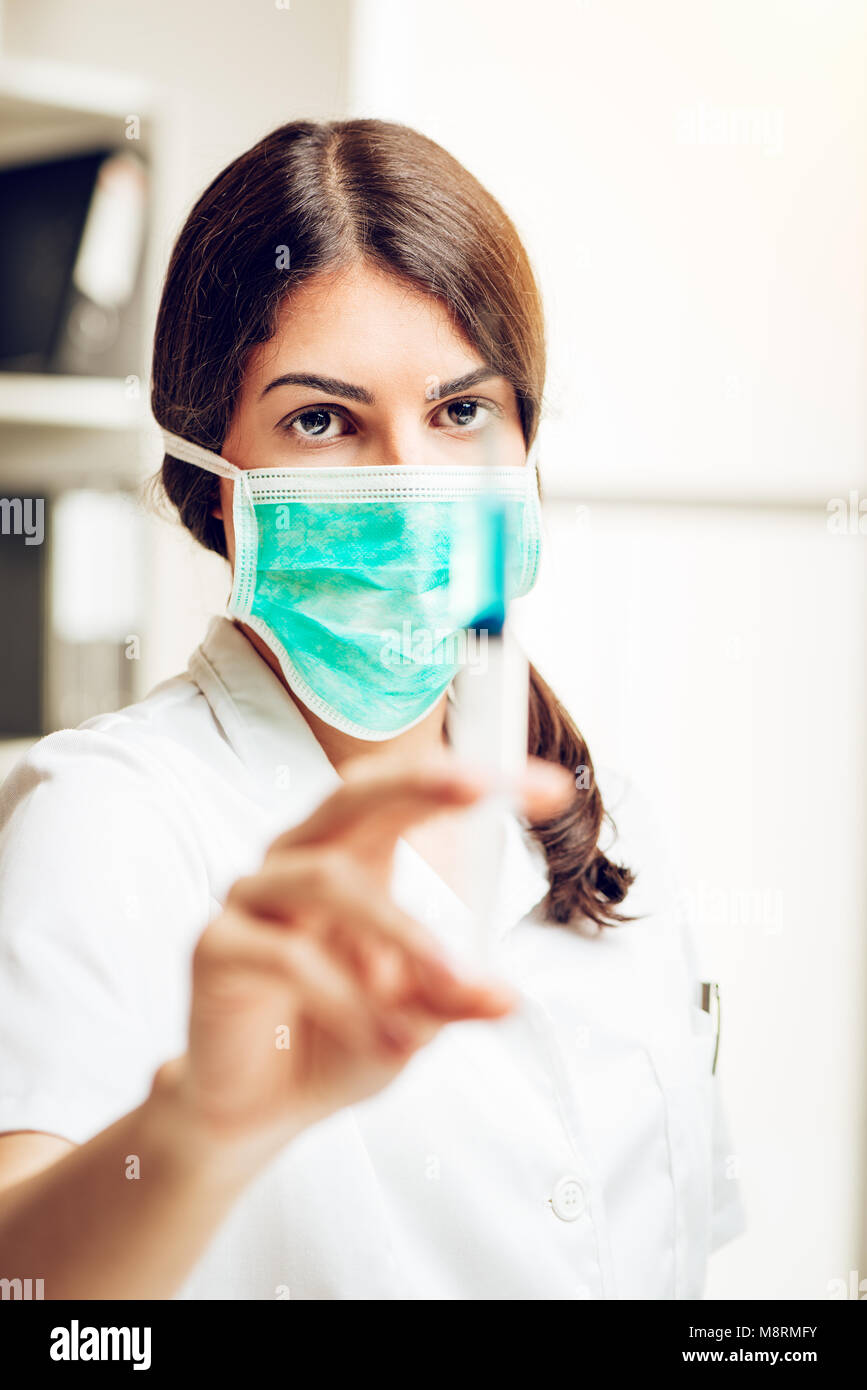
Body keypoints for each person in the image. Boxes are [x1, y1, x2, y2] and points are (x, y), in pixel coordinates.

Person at [0, 119, 745, 1300]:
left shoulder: (607, 820)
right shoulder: (110, 819)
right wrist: (199, 1121)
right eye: (323, 420)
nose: (414, 483)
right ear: (210, 473)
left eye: (461, 412)